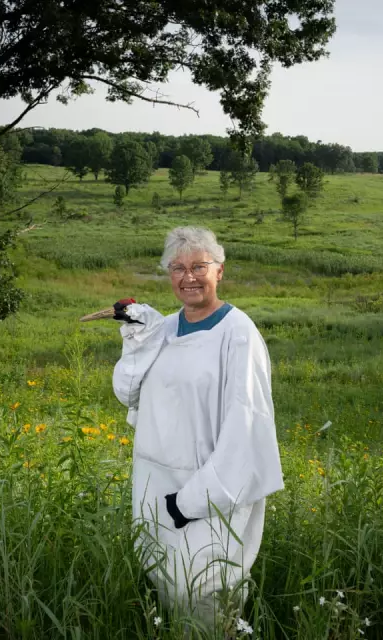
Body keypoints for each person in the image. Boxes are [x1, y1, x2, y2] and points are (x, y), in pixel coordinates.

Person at [111, 226, 284, 631]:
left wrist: (190, 502)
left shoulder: (238, 334)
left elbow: (247, 428)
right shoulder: (166, 329)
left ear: (219, 271)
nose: (189, 277)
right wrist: (137, 341)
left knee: (207, 594)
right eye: (178, 268)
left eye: (199, 266)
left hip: (206, 496)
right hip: (155, 485)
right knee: (169, 590)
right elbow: (130, 394)